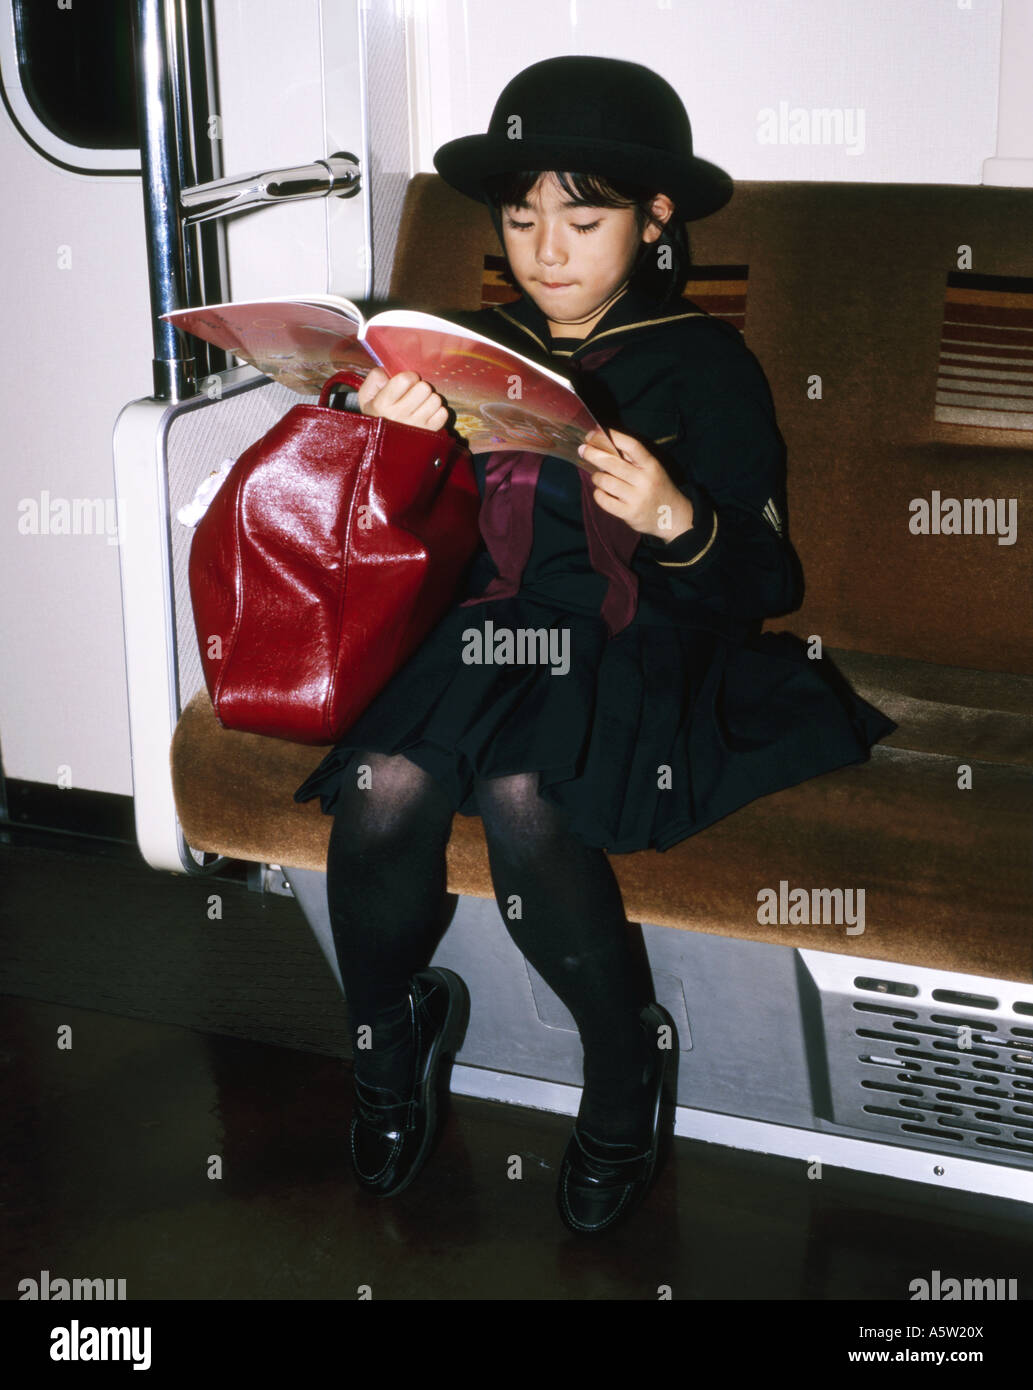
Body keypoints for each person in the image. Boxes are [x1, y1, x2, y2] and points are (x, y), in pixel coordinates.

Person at [294, 55, 896, 1236]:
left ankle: (623, 1073)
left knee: (527, 797)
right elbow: (388, 537)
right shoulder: (455, 343)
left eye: (583, 217)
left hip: (636, 640)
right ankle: (387, 1039)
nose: (545, 249)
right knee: (382, 788)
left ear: (654, 216)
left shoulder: (703, 361)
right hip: (482, 634)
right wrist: (382, 437)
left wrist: (674, 515)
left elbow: (769, 577)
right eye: (520, 219)